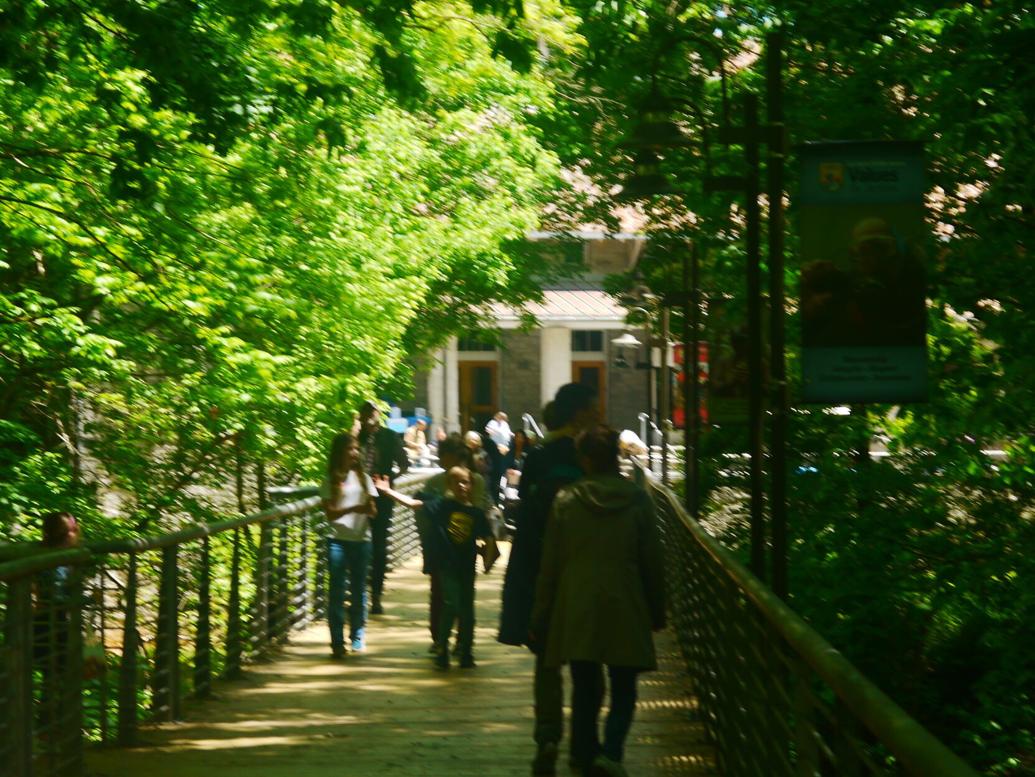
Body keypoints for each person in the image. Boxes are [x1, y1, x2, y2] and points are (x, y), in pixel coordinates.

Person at [531, 426, 667, 777]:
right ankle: (612, 752)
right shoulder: (637, 499)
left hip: (577, 601)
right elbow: (652, 559)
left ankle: (583, 751)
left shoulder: (566, 500)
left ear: (586, 459)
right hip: (626, 596)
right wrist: (657, 607)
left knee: (584, 682)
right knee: (624, 685)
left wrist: (541, 614)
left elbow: (550, 564)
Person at [498, 382, 600, 776]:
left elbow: (527, 519)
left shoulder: (539, 456)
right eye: (593, 409)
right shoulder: (589, 456)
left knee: (547, 661)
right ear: (579, 415)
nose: (598, 414)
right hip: (586, 571)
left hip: (542, 572)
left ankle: (547, 735)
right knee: (587, 664)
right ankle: (584, 746)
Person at [376, 466, 497, 669]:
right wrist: (388, 492)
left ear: (471, 485)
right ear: (448, 485)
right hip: (446, 565)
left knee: (468, 611)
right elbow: (414, 504)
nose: (461, 486)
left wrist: (488, 561)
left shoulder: (476, 513)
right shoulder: (441, 506)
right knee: (451, 604)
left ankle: (466, 651)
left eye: (465, 482)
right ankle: (442, 648)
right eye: (456, 482)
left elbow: (489, 538)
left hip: (467, 568)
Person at [413, 433, 491, 653]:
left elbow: (475, 512)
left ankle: (450, 640)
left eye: (443, 455)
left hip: (454, 548)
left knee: (447, 595)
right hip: (449, 547)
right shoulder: (448, 481)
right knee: (451, 594)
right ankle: (448, 640)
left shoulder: (469, 481)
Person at [321, 432, 378, 657]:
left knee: (358, 590)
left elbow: (373, 509)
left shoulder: (364, 478)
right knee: (336, 592)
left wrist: (367, 509)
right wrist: (354, 509)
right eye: (350, 449)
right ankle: (336, 641)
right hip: (337, 541)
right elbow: (330, 514)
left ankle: (357, 636)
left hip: (361, 540)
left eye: (356, 448)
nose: (355, 453)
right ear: (340, 452)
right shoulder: (330, 479)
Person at [357, 400, 409, 615]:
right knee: (356, 543)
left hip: (381, 497)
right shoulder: (355, 438)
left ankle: (376, 594)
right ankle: (358, 593)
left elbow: (405, 464)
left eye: (372, 412)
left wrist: (388, 482)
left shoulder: (389, 437)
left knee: (379, 545)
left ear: (378, 414)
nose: (369, 417)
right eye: (365, 413)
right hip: (356, 497)